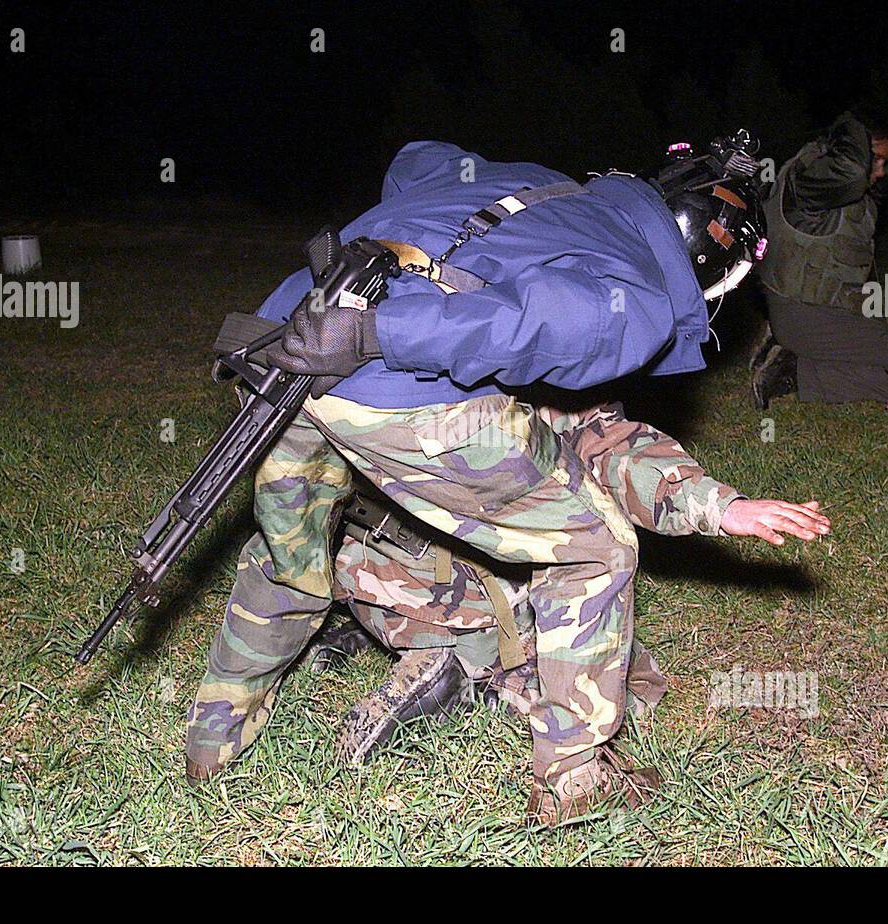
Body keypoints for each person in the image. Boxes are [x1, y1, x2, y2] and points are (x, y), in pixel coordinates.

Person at [187, 136, 768, 823]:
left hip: (285, 339)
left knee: (292, 551)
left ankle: (211, 744)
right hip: (375, 369)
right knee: (595, 550)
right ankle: (572, 781)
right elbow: (523, 326)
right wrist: (380, 331)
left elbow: (415, 159)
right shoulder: (635, 293)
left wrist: (714, 505)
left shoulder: (543, 189)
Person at [312, 400, 829, 824]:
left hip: (367, 577)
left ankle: (396, 638)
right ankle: (517, 723)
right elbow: (608, 444)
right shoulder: (514, 354)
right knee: (626, 669)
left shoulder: (354, 357)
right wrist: (716, 506)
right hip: (456, 593)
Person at [751, 111, 888, 408]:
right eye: (874, 159)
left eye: (884, 163)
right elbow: (851, 172)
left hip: (819, 315)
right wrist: (850, 123)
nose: (879, 172)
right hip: (803, 317)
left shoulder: (838, 191)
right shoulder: (810, 183)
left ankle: (787, 354)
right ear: (852, 148)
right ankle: (790, 372)